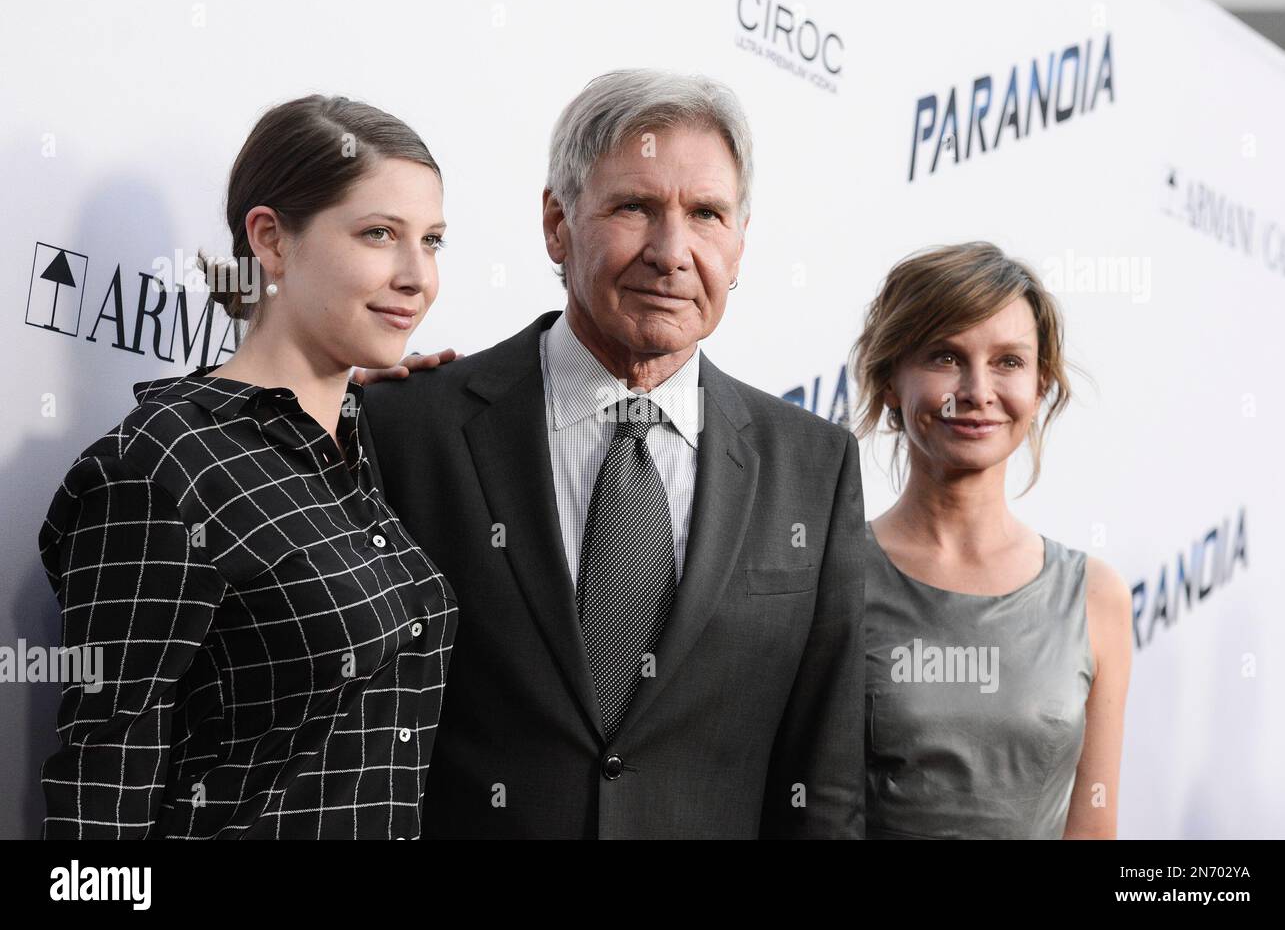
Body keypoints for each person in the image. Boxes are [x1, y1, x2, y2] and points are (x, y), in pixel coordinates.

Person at [360, 68, 868, 839]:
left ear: (740, 245)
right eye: (635, 206)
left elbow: (823, 785)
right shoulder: (409, 428)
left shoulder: (813, 467)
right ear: (557, 223)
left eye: (706, 214)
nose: (673, 251)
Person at [38, 95, 458, 839]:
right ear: (271, 239)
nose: (416, 275)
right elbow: (99, 797)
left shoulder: (358, 450)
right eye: (378, 234)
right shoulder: (165, 465)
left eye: (432, 240)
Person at [850, 241, 1133, 839]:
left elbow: (1093, 827)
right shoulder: (835, 578)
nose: (977, 390)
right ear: (890, 382)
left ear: (1040, 386)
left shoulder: (1096, 597)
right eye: (946, 357)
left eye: (1008, 361)